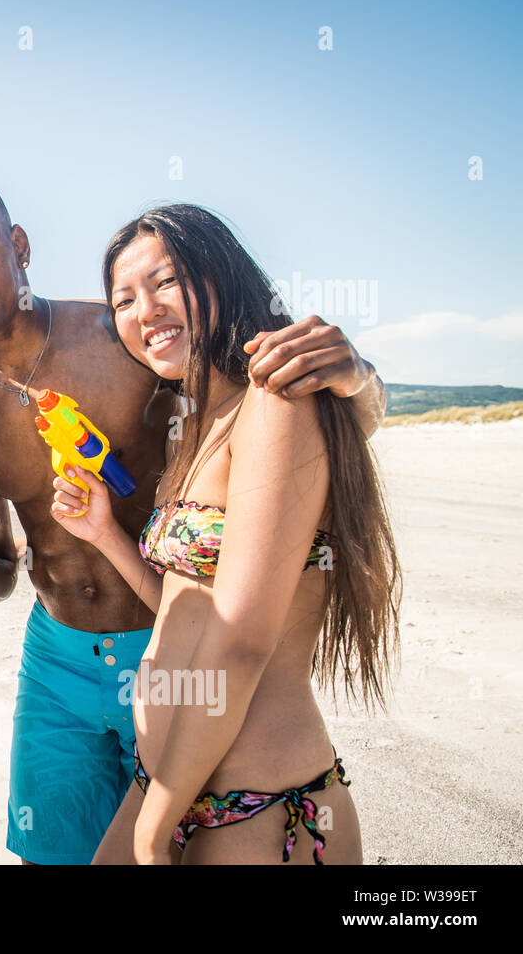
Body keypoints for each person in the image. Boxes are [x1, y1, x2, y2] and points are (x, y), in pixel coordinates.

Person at [0, 178, 387, 865]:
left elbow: (293, 425)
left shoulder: (124, 339)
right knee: (52, 850)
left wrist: (362, 378)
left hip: (169, 649)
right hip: (58, 657)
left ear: (18, 247)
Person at [51, 204, 400, 863]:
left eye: (165, 281)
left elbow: (238, 637)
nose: (144, 308)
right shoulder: (196, 428)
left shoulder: (277, 399)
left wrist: (156, 823)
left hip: (262, 807)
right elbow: (187, 613)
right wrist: (106, 536)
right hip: (168, 781)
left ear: (223, 275)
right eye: (123, 299)